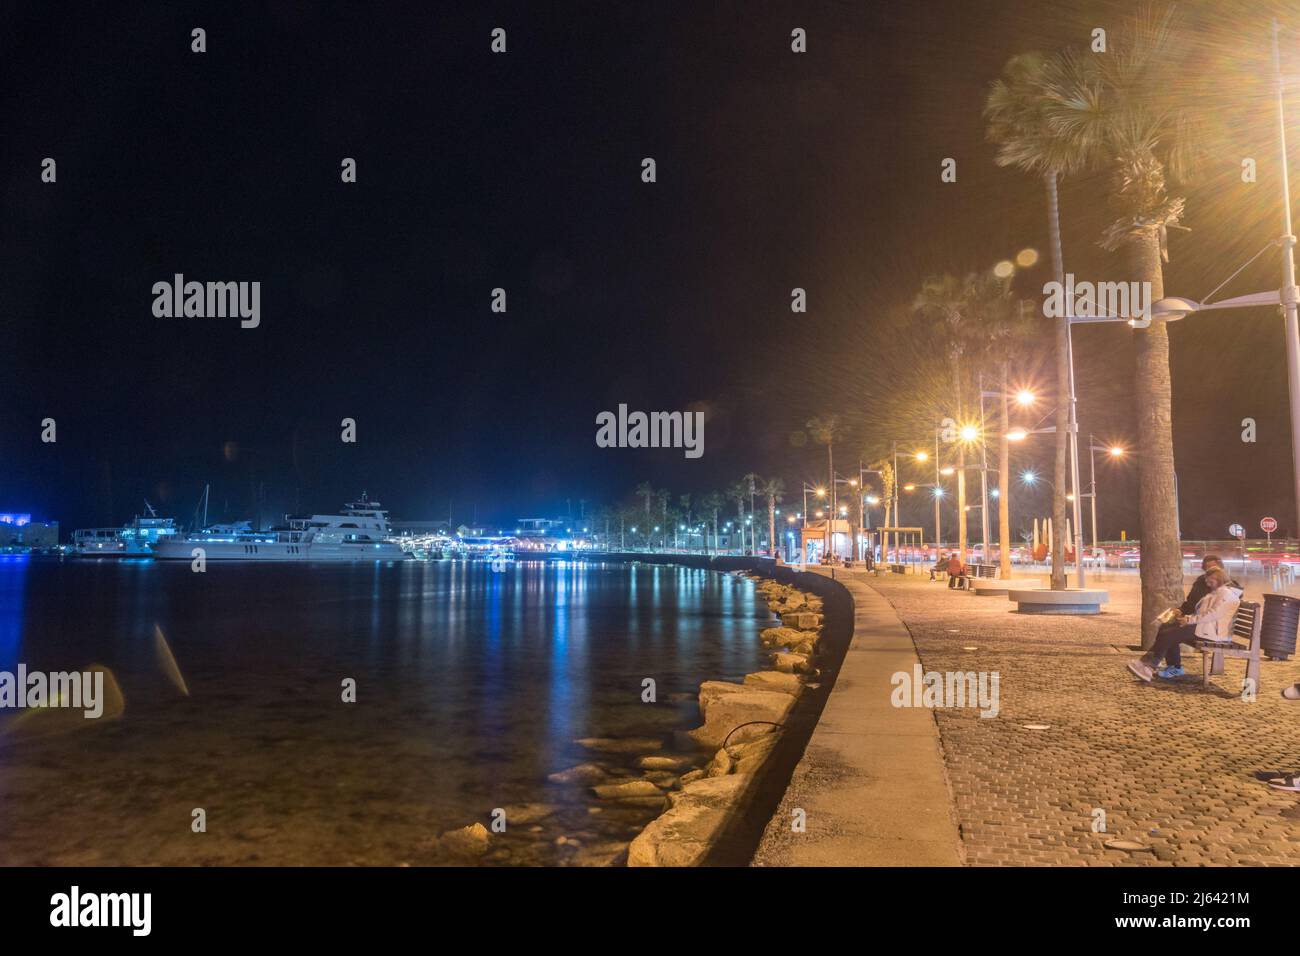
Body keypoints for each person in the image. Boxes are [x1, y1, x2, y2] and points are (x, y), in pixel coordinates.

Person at [1128, 566, 1242, 681]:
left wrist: (1189, 620)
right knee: (1166, 628)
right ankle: (1170, 666)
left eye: (1210, 581)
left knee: (1170, 634)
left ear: (1219, 579)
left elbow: (1213, 614)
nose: (1208, 584)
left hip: (1213, 633)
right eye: (1207, 581)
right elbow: (1203, 612)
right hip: (1205, 628)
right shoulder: (1217, 592)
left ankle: (1149, 666)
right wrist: (1186, 618)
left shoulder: (1226, 595)